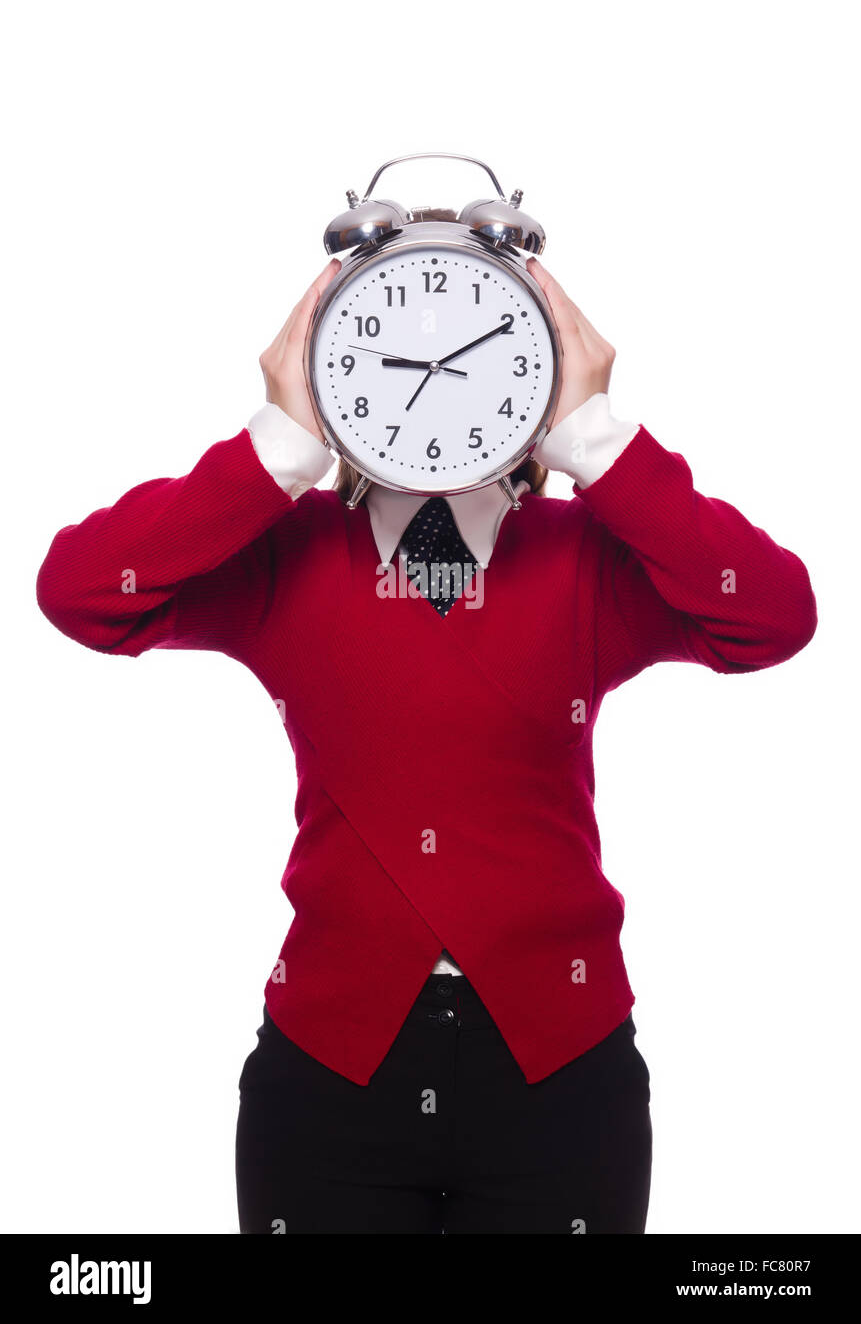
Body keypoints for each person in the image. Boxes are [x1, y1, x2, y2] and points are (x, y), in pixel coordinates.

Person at [35, 254, 818, 1235]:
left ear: (536, 378)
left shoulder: (588, 558)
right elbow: (84, 592)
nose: (439, 389)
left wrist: (600, 442)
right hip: (330, 1072)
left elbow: (774, 616)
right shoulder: (286, 553)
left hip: (561, 1073)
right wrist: (276, 445)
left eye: (484, 358)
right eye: (396, 358)